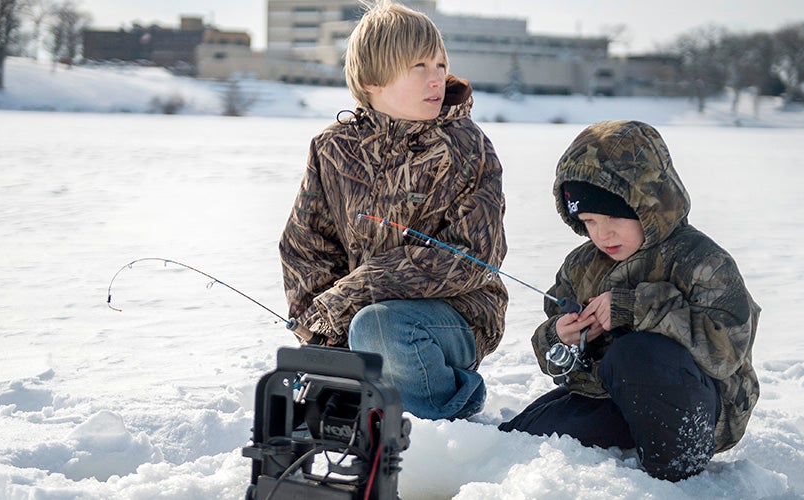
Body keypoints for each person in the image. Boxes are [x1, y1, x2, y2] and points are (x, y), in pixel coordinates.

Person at [279, 0, 508, 421]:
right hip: (357, 317)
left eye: (440, 64)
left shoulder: (466, 147)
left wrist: (347, 298)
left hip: (456, 317)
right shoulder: (333, 148)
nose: (436, 77)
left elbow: (472, 257)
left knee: (379, 327)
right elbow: (306, 245)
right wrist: (319, 326)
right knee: (345, 353)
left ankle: (443, 414)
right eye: (419, 66)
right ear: (373, 80)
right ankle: (369, 403)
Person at [498, 120, 760, 482]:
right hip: (608, 396)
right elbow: (557, 355)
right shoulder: (580, 265)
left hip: (695, 406)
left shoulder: (702, 261)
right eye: (589, 221)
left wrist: (634, 308)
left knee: (635, 353)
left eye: (613, 217)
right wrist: (560, 336)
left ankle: (674, 475)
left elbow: (725, 351)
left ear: (648, 205)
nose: (602, 234)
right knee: (519, 440)